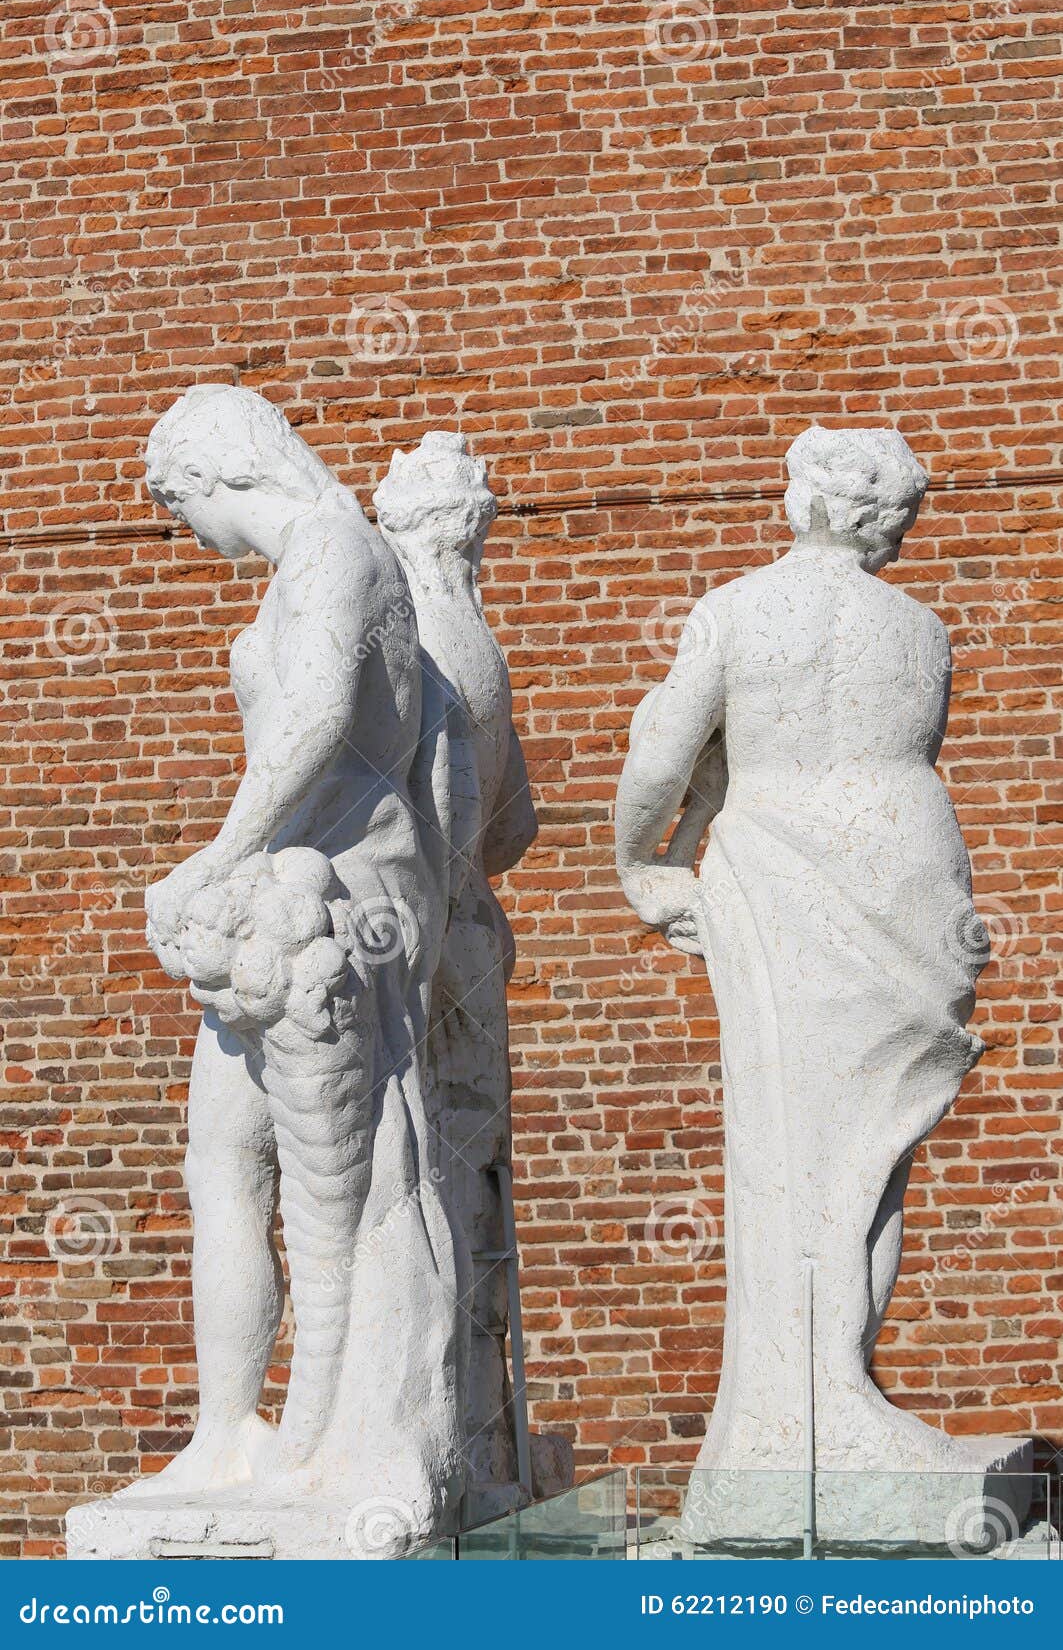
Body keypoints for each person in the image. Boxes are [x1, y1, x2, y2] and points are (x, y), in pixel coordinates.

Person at [128, 386, 466, 1541]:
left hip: (327, 894)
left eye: (179, 506)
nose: (188, 533)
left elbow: (319, 713)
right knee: (224, 1156)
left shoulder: (332, 546)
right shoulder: (334, 558)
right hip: (297, 891)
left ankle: (333, 1428)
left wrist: (216, 855)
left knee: (325, 1177)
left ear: (215, 474)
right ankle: (231, 1430)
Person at [616, 425, 986, 1476]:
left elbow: (663, 754)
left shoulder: (736, 609)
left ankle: (807, 1410)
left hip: (780, 862)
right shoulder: (920, 628)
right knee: (874, 1142)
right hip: (906, 866)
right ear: (884, 517)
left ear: (801, 499)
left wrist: (637, 861)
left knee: (786, 1140)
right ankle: (833, 1394)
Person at [375, 432, 539, 1516]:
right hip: (472, 927)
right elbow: (514, 822)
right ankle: (478, 1448)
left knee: (402, 1184)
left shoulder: (404, 636)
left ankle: (421, 1436)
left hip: (411, 937)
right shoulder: (480, 643)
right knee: (468, 1184)